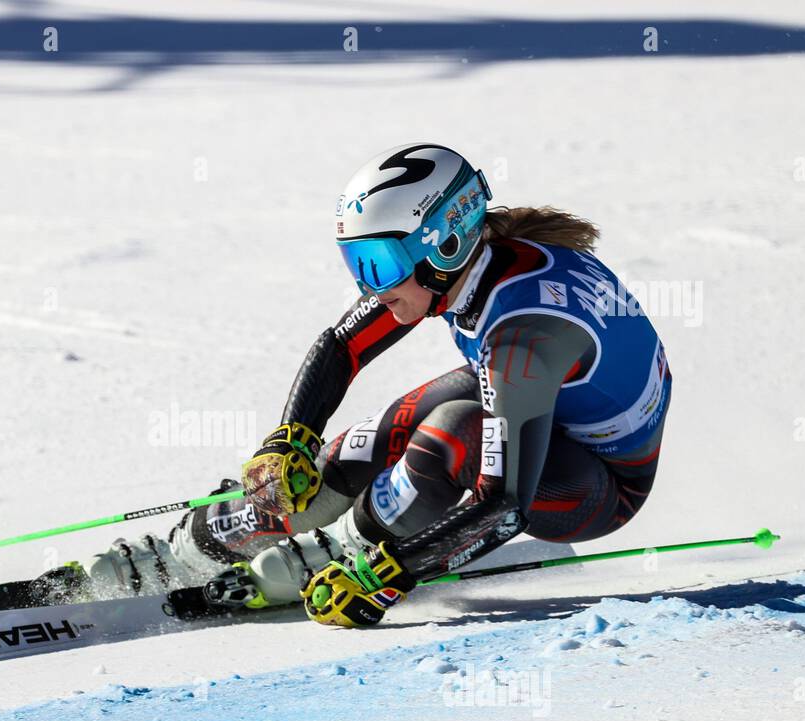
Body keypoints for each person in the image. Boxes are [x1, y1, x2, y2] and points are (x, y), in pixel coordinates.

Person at [84, 142, 671, 628]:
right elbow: (342, 346)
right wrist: (291, 439)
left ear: (444, 245)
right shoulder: (466, 266)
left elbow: (505, 507)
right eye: (358, 264)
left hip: (597, 485)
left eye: (380, 266)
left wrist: (385, 575)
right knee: (379, 435)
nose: (372, 287)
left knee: (452, 434)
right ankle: (195, 547)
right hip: (540, 405)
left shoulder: (521, 337)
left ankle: (340, 549)